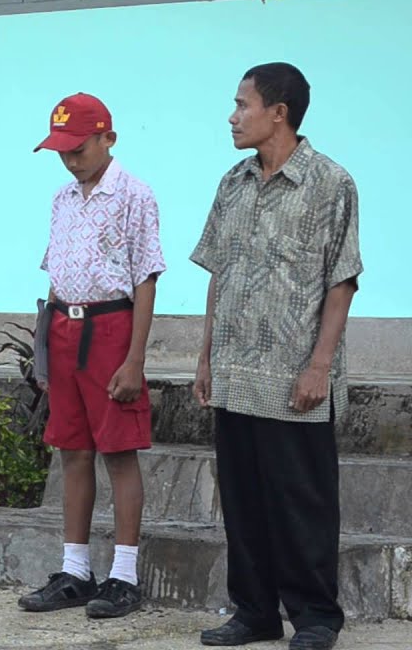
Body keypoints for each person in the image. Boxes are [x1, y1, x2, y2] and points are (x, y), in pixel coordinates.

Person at [193, 63, 361, 650]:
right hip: (235, 373)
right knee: (242, 502)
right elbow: (218, 270)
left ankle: (315, 618)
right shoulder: (232, 182)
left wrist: (320, 364)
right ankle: (254, 612)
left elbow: (341, 280)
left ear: (279, 113)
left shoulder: (330, 183)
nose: (233, 116)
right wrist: (205, 356)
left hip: (294, 378)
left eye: (243, 104)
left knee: (302, 503)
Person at [19, 93, 164, 619]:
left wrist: (135, 358)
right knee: (72, 450)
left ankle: (124, 574)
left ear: (109, 139)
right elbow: (55, 278)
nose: (70, 160)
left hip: (111, 328)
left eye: (78, 149)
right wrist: (44, 353)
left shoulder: (134, 196)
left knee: (118, 451)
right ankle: (75, 568)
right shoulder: (62, 199)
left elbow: (146, 279)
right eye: (61, 151)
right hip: (64, 330)